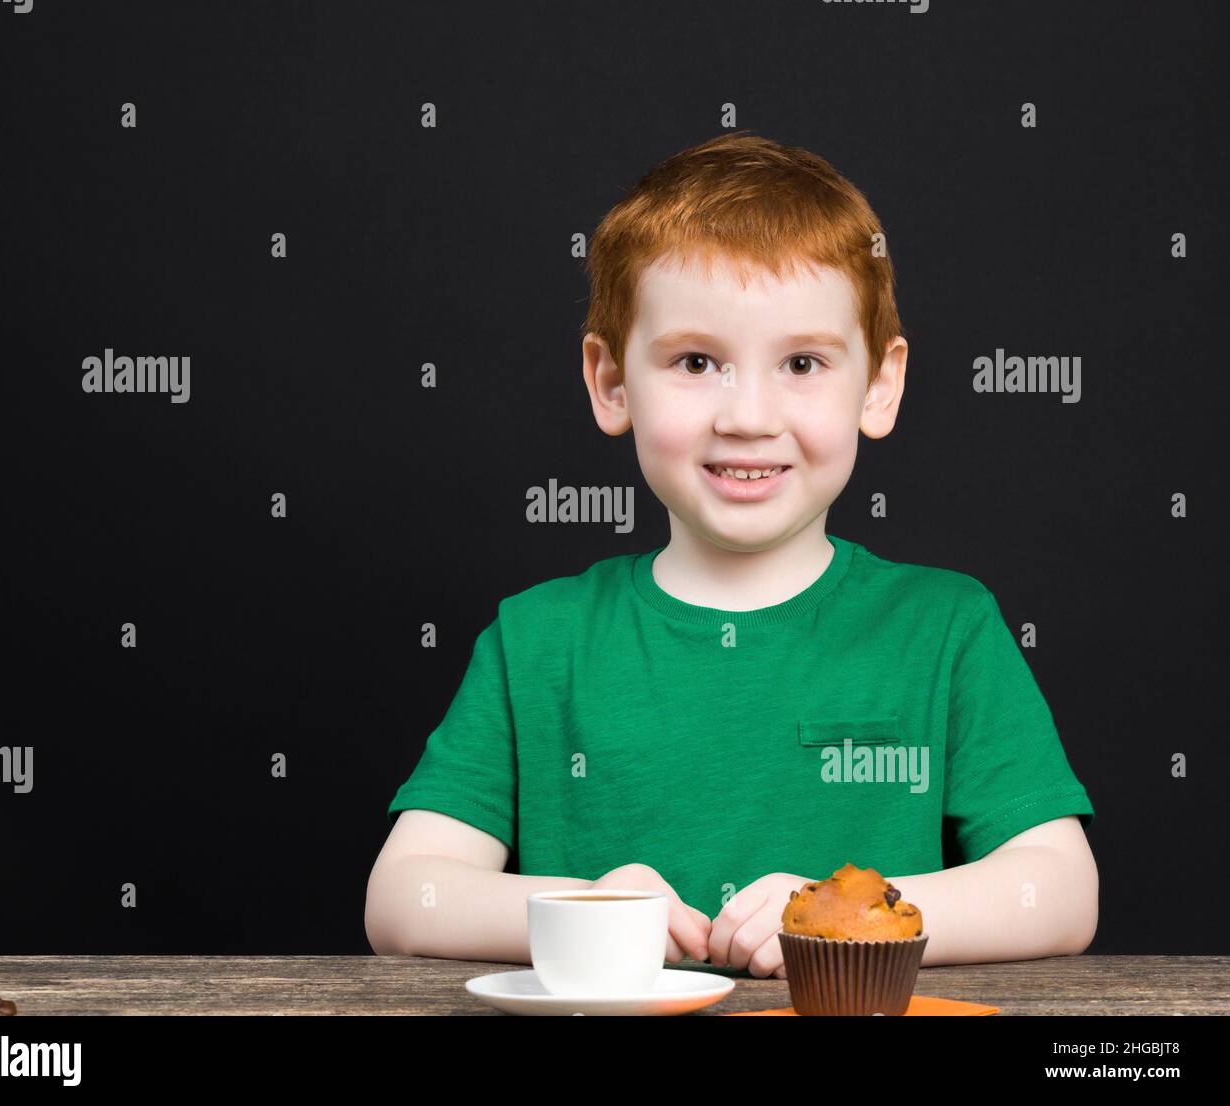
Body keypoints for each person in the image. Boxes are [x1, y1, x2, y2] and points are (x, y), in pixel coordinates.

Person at [365, 132, 1097, 978]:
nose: (747, 414)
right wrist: (587, 910)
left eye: (802, 362)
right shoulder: (537, 641)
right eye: (697, 361)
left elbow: (1062, 889)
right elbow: (403, 896)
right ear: (611, 383)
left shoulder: (946, 629)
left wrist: (844, 916)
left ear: (879, 386)